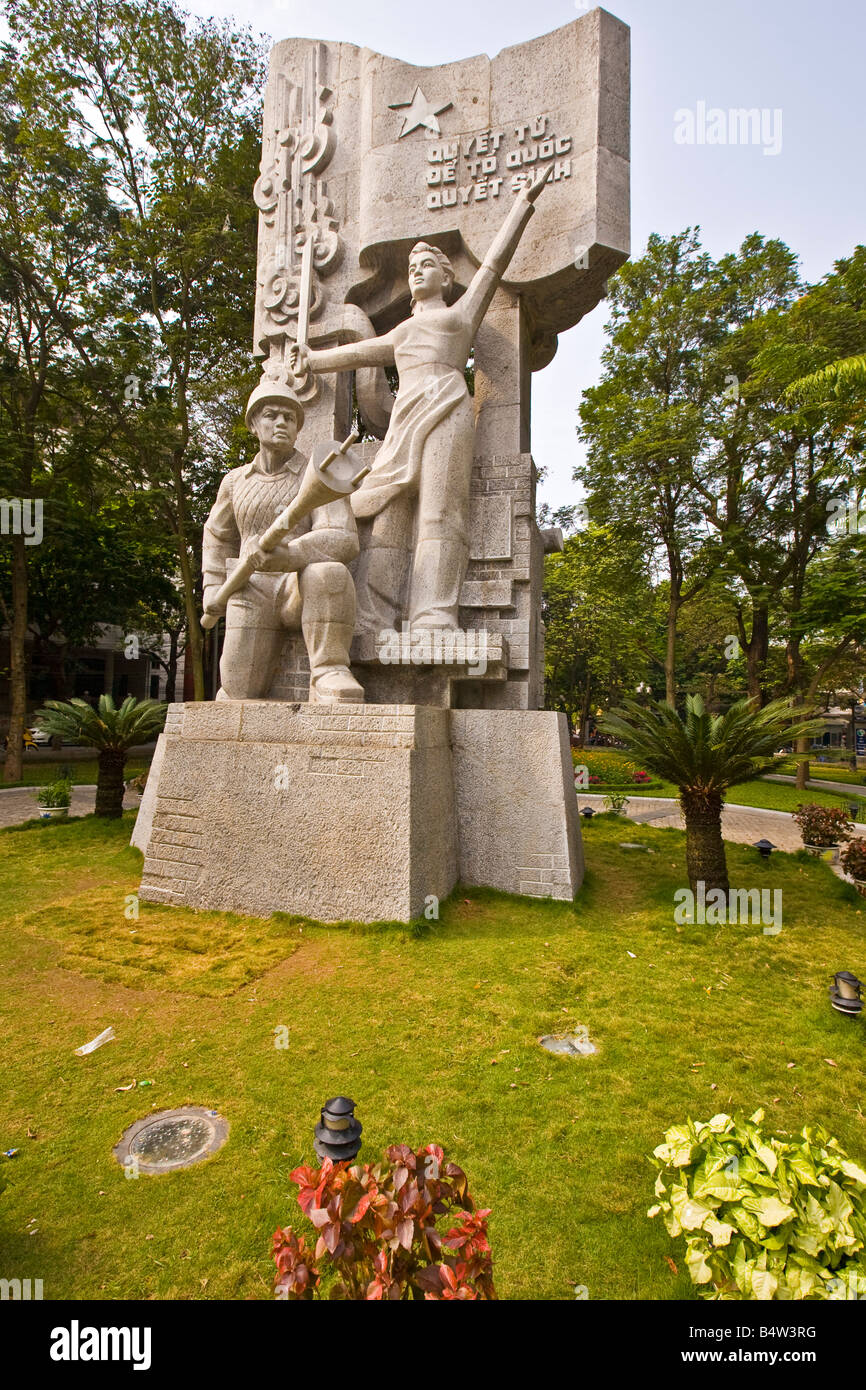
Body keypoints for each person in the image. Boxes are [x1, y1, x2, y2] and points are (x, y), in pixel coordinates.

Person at [290, 167, 551, 633]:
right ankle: (374, 616)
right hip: (403, 422)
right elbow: (356, 352)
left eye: (426, 265)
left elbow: (491, 267)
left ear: (447, 277)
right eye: (411, 269)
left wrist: (522, 206)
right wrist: (311, 360)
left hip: (448, 409)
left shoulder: (459, 317)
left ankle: (433, 615)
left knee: (441, 511)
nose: (416, 272)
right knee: (386, 510)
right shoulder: (402, 330)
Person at [202, 377, 364, 703]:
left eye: (289, 418)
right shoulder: (234, 482)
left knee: (328, 572)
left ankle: (329, 670)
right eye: (271, 415)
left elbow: (344, 539)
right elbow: (217, 536)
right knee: (238, 691)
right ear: (252, 424)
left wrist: (291, 554)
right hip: (249, 587)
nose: (281, 423)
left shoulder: (321, 473)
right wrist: (212, 586)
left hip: (296, 586)